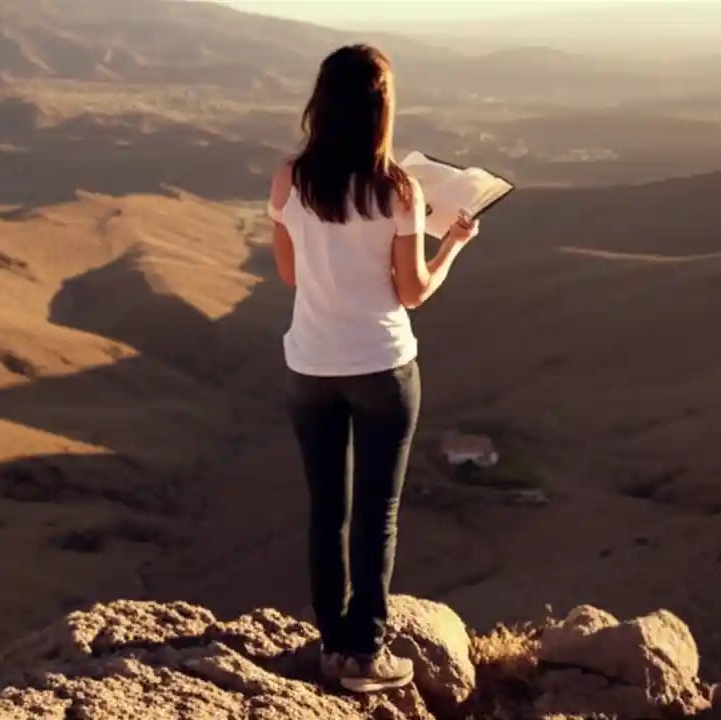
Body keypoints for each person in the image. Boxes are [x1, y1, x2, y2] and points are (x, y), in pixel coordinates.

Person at [267, 44, 479, 694]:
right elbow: (412, 291)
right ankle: (365, 655)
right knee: (377, 512)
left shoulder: (289, 180)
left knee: (325, 509)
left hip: (310, 364)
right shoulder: (399, 190)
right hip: (383, 367)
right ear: (383, 110)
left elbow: (289, 273)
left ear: (320, 103)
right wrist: (451, 247)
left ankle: (333, 646)